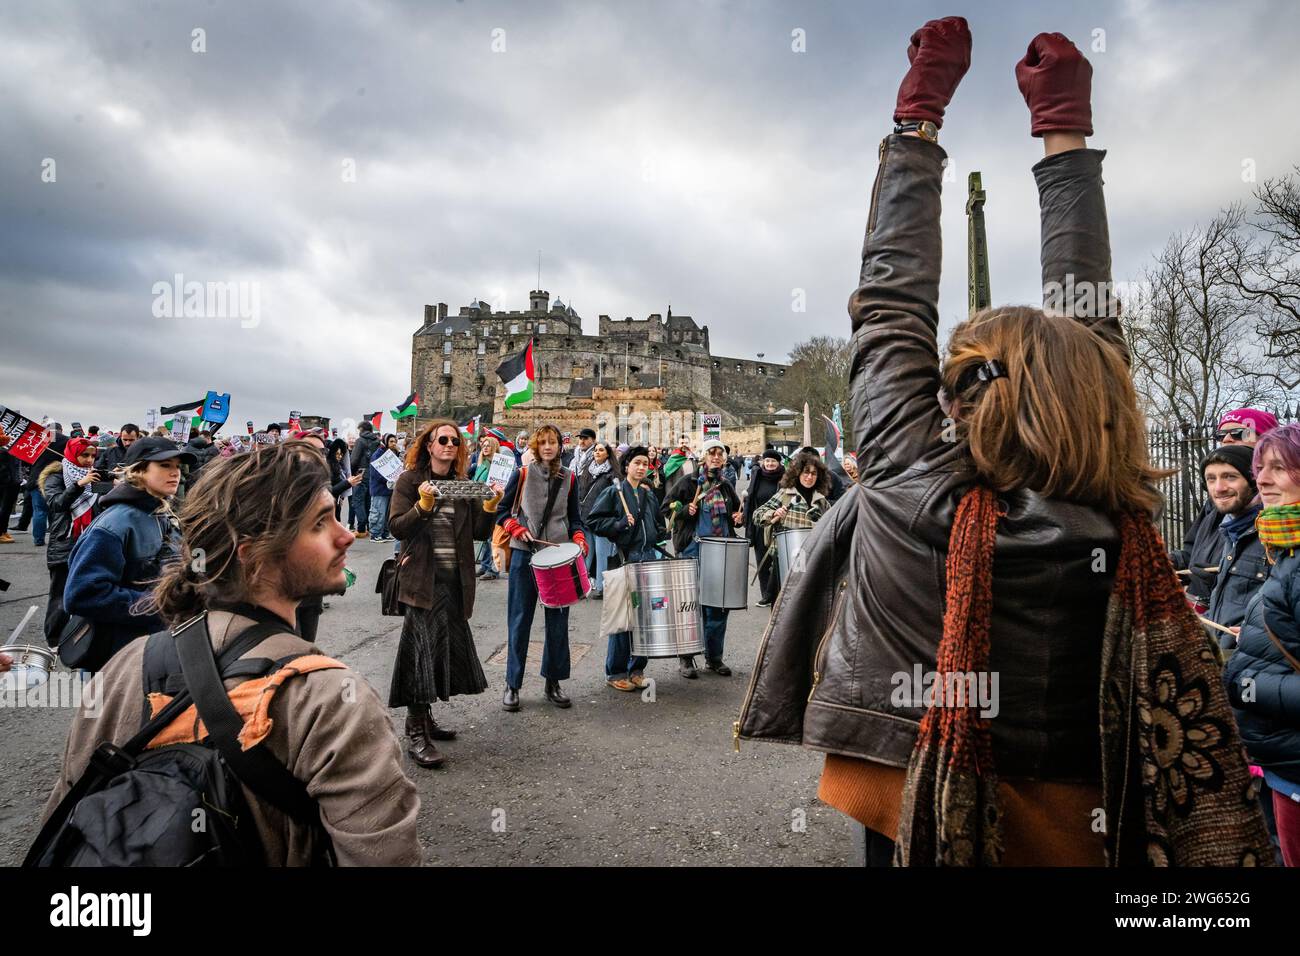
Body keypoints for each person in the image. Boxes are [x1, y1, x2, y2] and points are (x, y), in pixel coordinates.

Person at [738, 20, 1270, 867]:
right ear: (1094, 398)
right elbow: (1068, 321)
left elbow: (888, 303)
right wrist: (1064, 131)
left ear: (952, 398)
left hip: (908, 778)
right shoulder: (1105, 494)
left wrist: (917, 122)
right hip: (1077, 809)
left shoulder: (908, 471)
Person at [43, 441, 422, 865]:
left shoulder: (127, 664)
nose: (346, 534)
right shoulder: (331, 699)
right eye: (319, 523)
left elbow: (64, 818)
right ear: (253, 555)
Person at [388, 421, 502, 767]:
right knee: (421, 652)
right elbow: (396, 526)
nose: (450, 445)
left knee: (440, 651)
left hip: (453, 580)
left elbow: (479, 532)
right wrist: (422, 506)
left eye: (455, 441)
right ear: (429, 446)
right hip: (422, 579)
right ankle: (415, 729)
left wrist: (491, 506)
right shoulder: (410, 481)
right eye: (443, 440)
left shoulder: (464, 485)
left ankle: (427, 719)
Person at [1224, 424, 1300, 865]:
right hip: (1284, 766)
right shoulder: (1286, 550)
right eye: (1260, 468)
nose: (1263, 480)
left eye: (1279, 468)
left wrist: (1247, 685)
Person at [63, 436, 192, 668]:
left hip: (154, 645)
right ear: (139, 471)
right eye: (164, 465)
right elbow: (82, 594)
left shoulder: (162, 513)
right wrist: (160, 604)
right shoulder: (115, 524)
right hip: (119, 655)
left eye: (177, 466)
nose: (175, 473)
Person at [496, 424, 588, 710]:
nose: (548, 447)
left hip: (558, 558)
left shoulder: (570, 477)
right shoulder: (522, 474)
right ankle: (513, 685)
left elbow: (575, 518)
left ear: (561, 445)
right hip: (525, 554)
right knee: (520, 620)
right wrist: (514, 527)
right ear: (536, 446)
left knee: (558, 623)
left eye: (553, 442)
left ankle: (554, 682)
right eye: (543, 442)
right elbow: (503, 512)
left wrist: (579, 538)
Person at [1172, 408, 1278, 607]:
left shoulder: (1282, 509)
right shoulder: (1217, 502)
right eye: (1221, 435)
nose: (1227, 439)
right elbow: (1191, 553)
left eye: (1240, 433)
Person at [588, 445, 667, 691]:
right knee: (623, 620)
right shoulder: (614, 492)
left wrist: (661, 532)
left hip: (649, 559)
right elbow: (594, 521)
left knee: (646, 619)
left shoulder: (649, 495)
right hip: (626, 559)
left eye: (645, 463)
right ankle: (616, 672)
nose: (642, 467)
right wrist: (619, 524)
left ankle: (637, 669)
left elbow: (657, 524)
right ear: (626, 466)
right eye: (637, 463)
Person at [663, 438, 744, 677]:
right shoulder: (688, 483)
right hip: (693, 548)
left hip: (721, 551)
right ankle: (686, 659)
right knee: (690, 604)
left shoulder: (727, 486)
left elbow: (737, 513)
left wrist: (739, 518)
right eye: (712, 453)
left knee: (718, 606)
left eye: (720, 453)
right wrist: (683, 510)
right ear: (704, 457)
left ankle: (714, 657)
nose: (716, 457)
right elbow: (666, 508)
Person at [40, 437, 103, 641]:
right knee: (60, 595)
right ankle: (54, 640)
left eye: (93, 456)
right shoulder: (56, 475)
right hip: (65, 541)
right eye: (84, 455)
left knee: (88, 590)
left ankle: (80, 638)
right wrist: (78, 485)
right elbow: (56, 503)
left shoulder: (94, 475)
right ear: (72, 453)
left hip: (91, 540)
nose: (89, 460)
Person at [1201, 445, 1267, 635]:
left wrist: (1260, 635)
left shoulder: (1272, 533)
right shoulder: (1231, 530)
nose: (1219, 488)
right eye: (1211, 479)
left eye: (1230, 477)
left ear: (1254, 481)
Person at [753, 449, 832, 600]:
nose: (809, 477)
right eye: (805, 472)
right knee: (782, 607)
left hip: (812, 562)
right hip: (784, 559)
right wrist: (774, 514)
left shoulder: (822, 501)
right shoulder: (786, 494)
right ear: (797, 473)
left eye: (813, 473)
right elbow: (757, 515)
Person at [579, 441, 622, 596]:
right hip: (586, 517)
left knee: (602, 553)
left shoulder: (613, 475)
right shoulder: (586, 470)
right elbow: (581, 493)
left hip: (602, 519)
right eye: (596, 450)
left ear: (607, 454)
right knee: (585, 554)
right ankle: (583, 586)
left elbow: (616, 498)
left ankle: (601, 586)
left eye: (601, 450)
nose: (597, 452)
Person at [743, 448, 785, 607]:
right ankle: (766, 595)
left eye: (773, 461)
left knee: (777, 561)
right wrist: (745, 518)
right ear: (763, 462)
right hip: (760, 525)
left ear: (779, 463)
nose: (770, 464)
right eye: (767, 461)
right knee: (762, 562)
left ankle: (778, 594)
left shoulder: (785, 478)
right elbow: (751, 499)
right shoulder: (757, 477)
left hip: (778, 525)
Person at [472, 434, 504, 579]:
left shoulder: (497, 465)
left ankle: (494, 569)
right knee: (486, 539)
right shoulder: (482, 463)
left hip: (494, 503)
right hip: (482, 502)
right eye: (483, 445)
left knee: (493, 539)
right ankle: (485, 566)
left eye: (488, 445)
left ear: (494, 447)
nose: (485, 448)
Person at [350, 422, 379, 537]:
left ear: (362, 429)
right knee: (367, 501)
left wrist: (352, 474)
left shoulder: (360, 440)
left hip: (361, 473)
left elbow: (354, 460)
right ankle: (367, 526)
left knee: (357, 500)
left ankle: (361, 528)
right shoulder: (377, 441)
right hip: (373, 473)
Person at [368, 433, 399, 541]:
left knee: (387, 513)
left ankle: (385, 533)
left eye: (395, 441)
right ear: (385, 442)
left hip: (389, 489)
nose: (393, 444)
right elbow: (375, 473)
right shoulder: (378, 454)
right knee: (378, 512)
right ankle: (375, 533)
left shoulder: (393, 454)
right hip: (379, 489)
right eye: (391, 441)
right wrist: (388, 479)